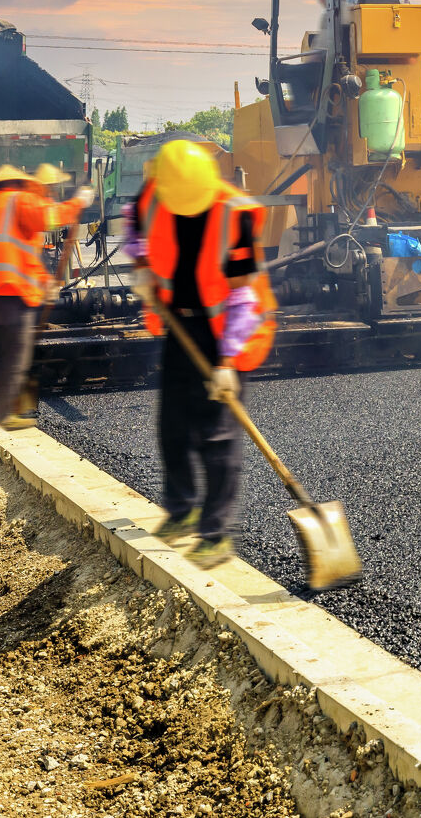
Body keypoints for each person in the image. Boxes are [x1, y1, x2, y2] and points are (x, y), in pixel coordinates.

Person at [137, 141, 276, 569]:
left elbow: (243, 299)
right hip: (180, 321)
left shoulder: (233, 216)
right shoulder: (154, 197)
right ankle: (182, 511)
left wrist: (227, 362)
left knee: (217, 434)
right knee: (173, 424)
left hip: (229, 326)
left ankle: (215, 534)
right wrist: (142, 268)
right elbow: (139, 236)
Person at [0, 164, 93, 427]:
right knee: (16, 353)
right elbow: (51, 217)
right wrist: (78, 202)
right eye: (51, 190)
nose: (52, 195)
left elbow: (23, 258)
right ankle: (4, 414)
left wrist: (45, 283)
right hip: (9, 293)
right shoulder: (21, 199)